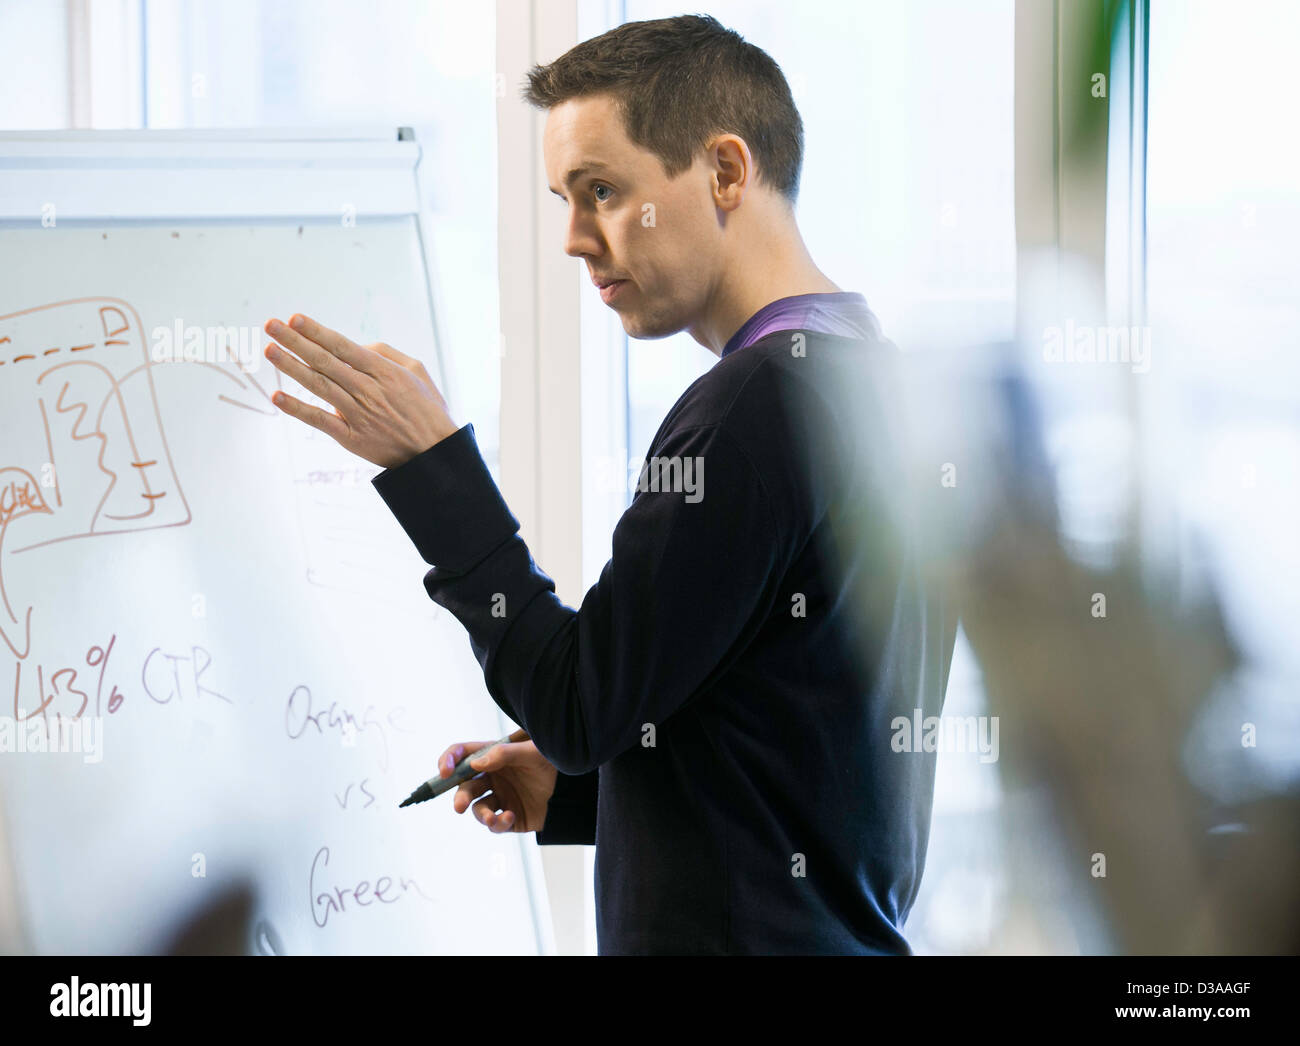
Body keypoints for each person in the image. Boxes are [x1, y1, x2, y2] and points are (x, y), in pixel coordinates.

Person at [263, 13, 954, 954]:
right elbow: (812, 749)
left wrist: (435, 470)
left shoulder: (754, 407)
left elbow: (580, 704)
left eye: (602, 192)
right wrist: (588, 789)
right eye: (564, 198)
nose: (575, 239)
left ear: (723, 171)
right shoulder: (869, 375)